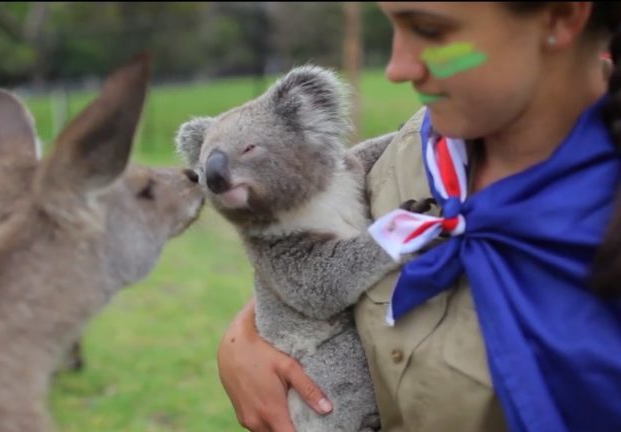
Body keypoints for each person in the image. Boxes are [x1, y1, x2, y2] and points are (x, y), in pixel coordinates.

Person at [215, 2, 621, 431]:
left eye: (428, 29)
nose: (397, 67)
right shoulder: (400, 158)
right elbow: (309, 274)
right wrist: (242, 340)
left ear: (560, 16)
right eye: (392, 25)